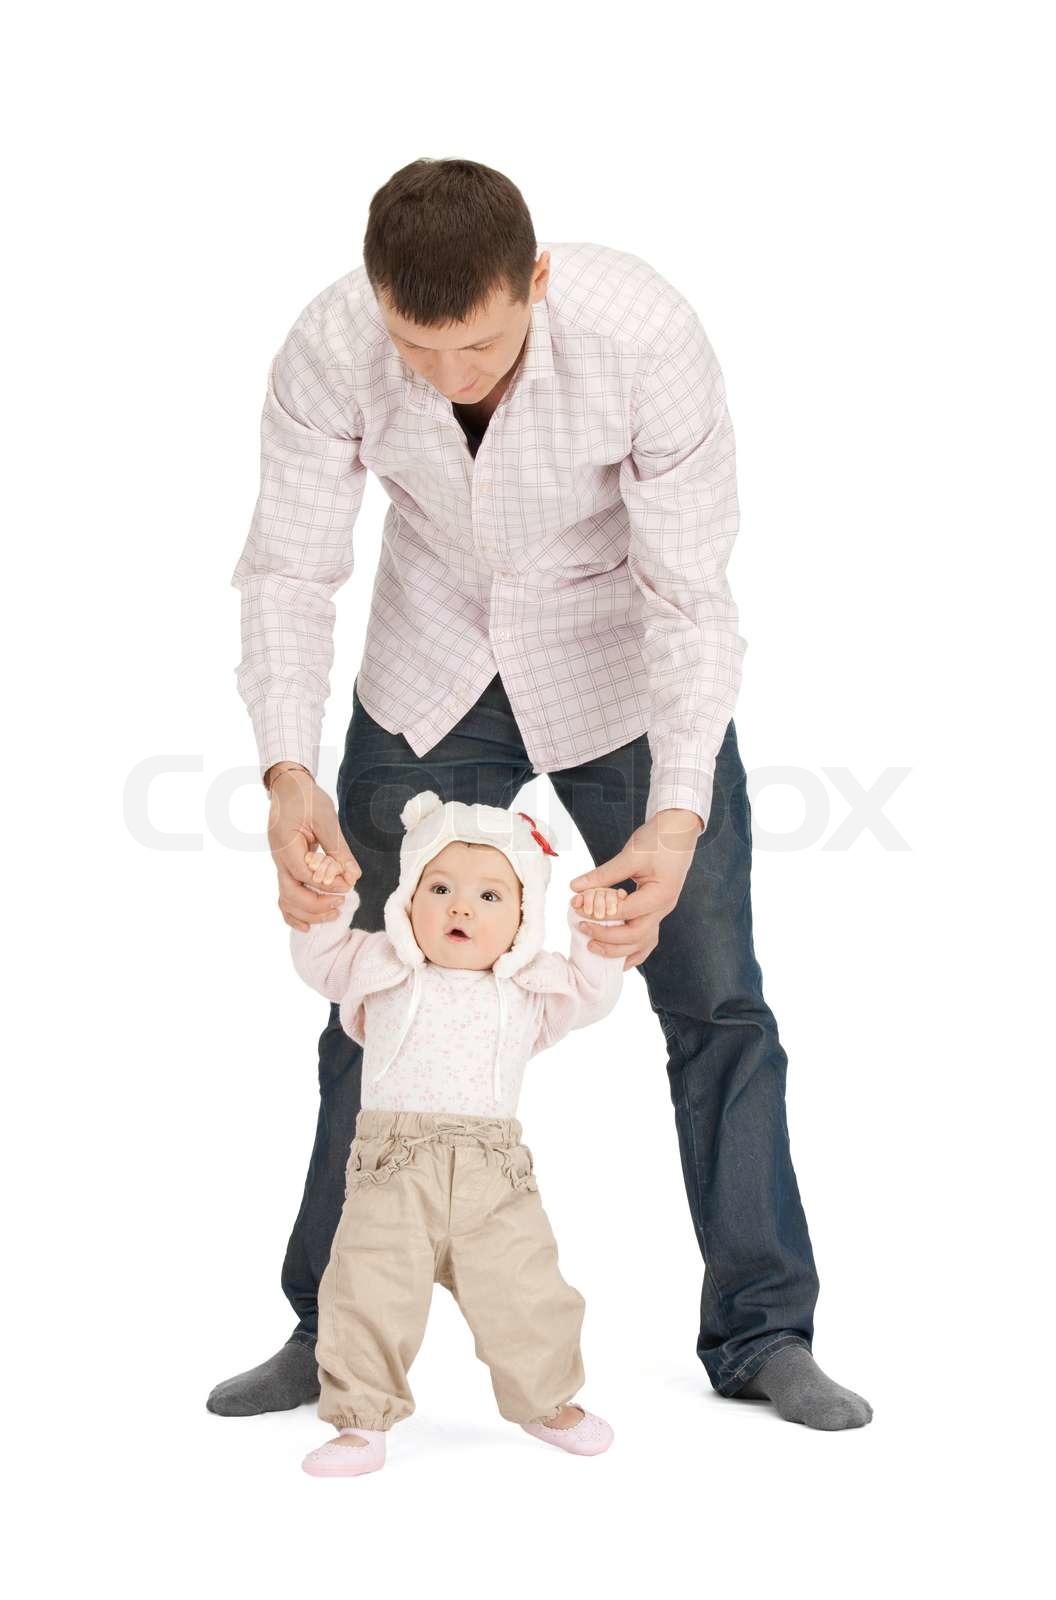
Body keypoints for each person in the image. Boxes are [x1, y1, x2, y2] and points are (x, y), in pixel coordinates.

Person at [212, 157, 872, 1431]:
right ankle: (326, 1324)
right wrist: (287, 770)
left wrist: (676, 815)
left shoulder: (645, 339)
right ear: (377, 301)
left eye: (478, 348)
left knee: (718, 1000)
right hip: (428, 666)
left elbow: (692, 598)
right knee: (376, 999)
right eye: (418, 348)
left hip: (614, 667)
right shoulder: (331, 342)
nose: (447, 377)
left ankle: (763, 1331)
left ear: (539, 283)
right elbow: (288, 571)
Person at [294, 789, 624, 1476]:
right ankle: (361, 1420)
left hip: (493, 1177)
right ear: (408, 897)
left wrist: (593, 934)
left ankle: (546, 1401)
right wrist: (325, 903)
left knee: (528, 1292)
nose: (460, 907)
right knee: (365, 1291)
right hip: (392, 1171)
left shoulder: (530, 984)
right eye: (439, 887)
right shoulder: (381, 964)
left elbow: (593, 995)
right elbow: (318, 958)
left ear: (524, 918)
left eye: (489, 897)